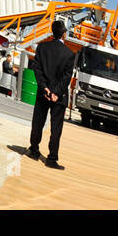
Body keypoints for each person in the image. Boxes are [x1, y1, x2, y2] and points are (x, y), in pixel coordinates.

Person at [26, 20, 74, 170]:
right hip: (58, 97)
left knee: (38, 122)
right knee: (56, 128)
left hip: (43, 92)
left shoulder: (42, 47)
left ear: (52, 32)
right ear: (64, 34)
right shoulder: (69, 54)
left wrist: (45, 87)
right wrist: (56, 93)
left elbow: (37, 68)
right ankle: (51, 159)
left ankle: (34, 150)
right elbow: (67, 77)